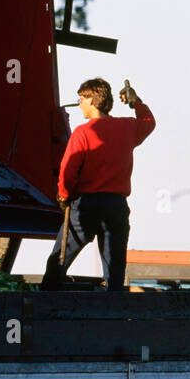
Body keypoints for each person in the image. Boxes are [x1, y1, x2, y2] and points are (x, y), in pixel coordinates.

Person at [40, 77, 155, 291]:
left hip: (86, 205)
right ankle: (113, 312)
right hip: (116, 206)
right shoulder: (127, 128)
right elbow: (149, 121)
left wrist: (63, 196)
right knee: (115, 270)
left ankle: (44, 304)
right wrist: (135, 101)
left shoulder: (83, 133)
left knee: (58, 261)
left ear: (91, 101)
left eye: (82, 99)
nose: (80, 104)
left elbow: (68, 170)